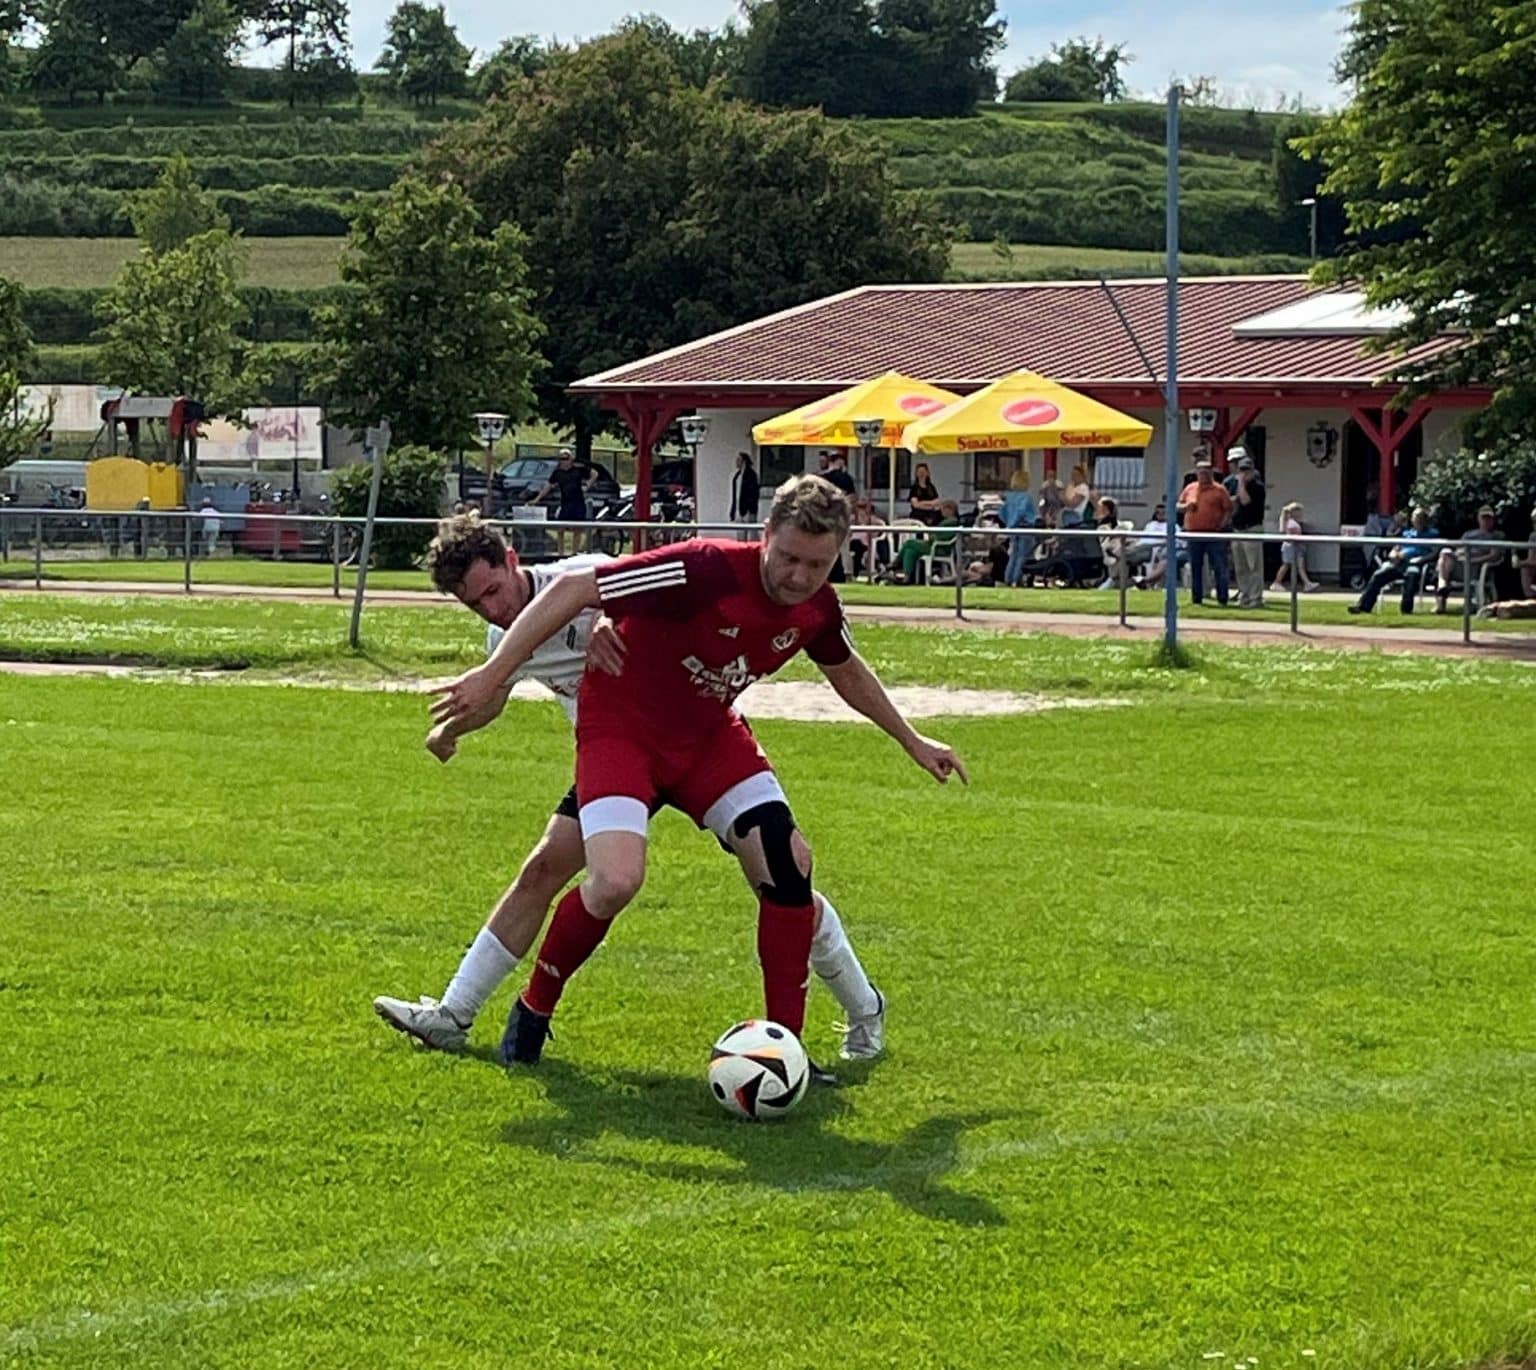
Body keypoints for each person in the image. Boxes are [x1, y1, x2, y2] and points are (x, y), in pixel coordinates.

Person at [429, 476, 966, 1067]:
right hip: (622, 731)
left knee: (788, 866)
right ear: (764, 536)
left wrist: (912, 740)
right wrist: (492, 673)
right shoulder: (705, 568)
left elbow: (846, 670)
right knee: (613, 882)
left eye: (817, 564)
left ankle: (783, 1050)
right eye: (787, 557)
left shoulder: (817, 607)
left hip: (707, 737)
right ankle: (534, 1007)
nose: (797, 576)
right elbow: (581, 587)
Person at [1348, 506, 1440, 613]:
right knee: (1378, 575)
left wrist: (1420, 560)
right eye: (1415, 517)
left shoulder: (1432, 534)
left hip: (1416, 564)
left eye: (1420, 517)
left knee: (1412, 574)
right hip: (1399, 563)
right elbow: (1396, 548)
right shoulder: (1407, 534)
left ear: (1425, 520)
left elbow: (1435, 553)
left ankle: (1406, 610)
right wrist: (1393, 555)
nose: (1417, 520)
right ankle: (1363, 607)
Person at [1176, 460, 1234, 606]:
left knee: (1219, 566)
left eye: (1206, 472)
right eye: (1200, 472)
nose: (1203, 475)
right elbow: (1178, 506)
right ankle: (1197, 598)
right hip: (1193, 534)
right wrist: (1185, 507)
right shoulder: (1190, 488)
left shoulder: (1219, 490)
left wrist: (1222, 524)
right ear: (1196, 473)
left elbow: (1228, 509)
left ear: (1211, 473)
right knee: (1195, 566)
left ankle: (1222, 598)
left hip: (1214, 534)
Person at [1426, 505, 1504, 613]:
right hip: (1460, 565)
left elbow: (1494, 556)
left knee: (1443, 564)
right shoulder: (1469, 534)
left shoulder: (1497, 535)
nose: (1486, 521)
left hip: (1477, 568)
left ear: (1493, 520)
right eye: (1483, 518)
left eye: (1489, 518)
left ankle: (1442, 590)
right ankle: (1442, 590)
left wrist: (1473, 560)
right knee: (1445, 554)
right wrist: (1460, 555)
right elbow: (1458, 550)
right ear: (1478, 519)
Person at [1223, 450, 1266, 608]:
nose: (1243, 473)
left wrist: (1241, 484)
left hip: (1252, 528)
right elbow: (1230, 503)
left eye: (1247, 470)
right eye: (1241, 469)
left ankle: (1256, 598)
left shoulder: (1257, 486)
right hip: (1237, 529)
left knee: (1254, 566)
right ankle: (1244, 594)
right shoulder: (1230, 483)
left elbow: (1246, 501)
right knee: (1240, 567)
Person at [535, 448, 595, 551]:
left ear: (571, 459)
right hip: (565, 504)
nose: (564, 461)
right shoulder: (557, 473)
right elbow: (548, 486)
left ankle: (574, 553)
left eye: (566, 458)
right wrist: (537, 499)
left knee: (577, 529)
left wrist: (588, 485)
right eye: (562, 459)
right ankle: (561, 553)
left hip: (578, 503)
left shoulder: (578, 470)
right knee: (560, 529)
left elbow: (594, 473)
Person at [893, 499, 960, 583]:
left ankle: (896, 563)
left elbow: (940, 537)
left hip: (939, 549)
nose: (941, 511)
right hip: (934, 545)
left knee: (909, 543)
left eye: (942, 509)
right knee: (910, 551)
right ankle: (906, 576)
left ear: (949, 510)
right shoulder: (948, 521)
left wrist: (930, 538)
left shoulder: (951, 522)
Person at [1271, 501, 1321, 593]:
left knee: (1300, 566)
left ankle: (1307, 583)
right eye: (1299, 511)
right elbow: (1284, 532)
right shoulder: (1289, 522)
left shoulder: (1294, 522)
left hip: (1297, 547)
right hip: (1290, 546)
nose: (1301, 514)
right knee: (1286, 565)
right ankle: (1276, 583)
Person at [1000, 470, 1039, 588]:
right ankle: (1016, 580)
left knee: (1013, 555)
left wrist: (1009, 522)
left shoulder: (1009, 497)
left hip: (1012, 529)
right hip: (1025, 528)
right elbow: (1022, 511)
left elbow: (1001, 512)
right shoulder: (1026, 497)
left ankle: (1008, 578)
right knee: (1022, 556)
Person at [730, 451, 760, 533]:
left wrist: (751, 509)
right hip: (738, 510)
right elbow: (735, 495)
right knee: (740, 535)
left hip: (748, 511)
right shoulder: (737, 476)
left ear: (744, 461)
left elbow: (754, 494)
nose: (736, 462)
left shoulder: (751, 475)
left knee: (751, 534)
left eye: (738, 460)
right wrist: (733, 511)